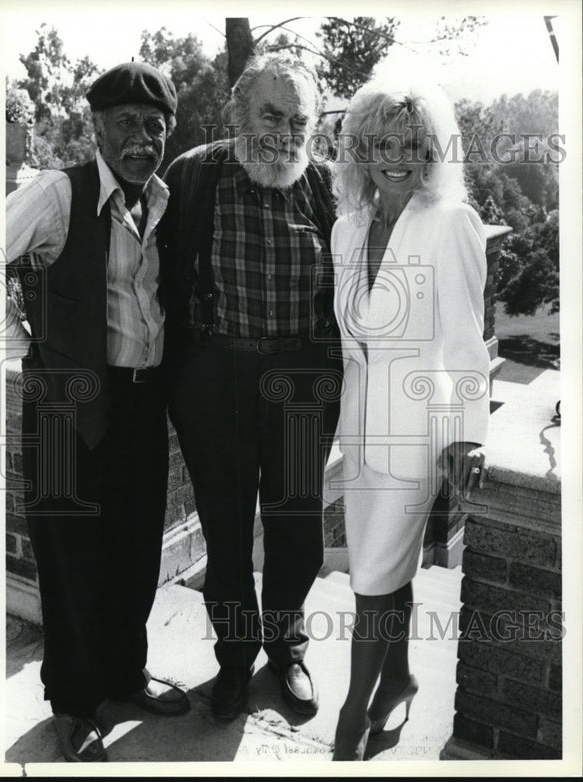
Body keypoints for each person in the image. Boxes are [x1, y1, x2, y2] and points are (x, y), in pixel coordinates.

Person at [5, 62, 190, 763]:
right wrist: (26, 340)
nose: (142, 139)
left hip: (140, 398)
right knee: (69, 557)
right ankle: (74, 703)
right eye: (126, 125)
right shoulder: (59, 192)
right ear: (96, 128)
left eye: (155, 126)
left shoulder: (162, 197)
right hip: (61, 403)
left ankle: (123, 671)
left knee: (135, 549)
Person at [159, 53, 342, 721]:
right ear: (239, 114)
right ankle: (235, 661)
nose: (285, 133)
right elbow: (154, 278)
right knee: (227, 531)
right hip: (216, 379)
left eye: (300, 121)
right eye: (271, 115)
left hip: (300, 382)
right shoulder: (193, 176)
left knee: (298, 527)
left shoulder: (324, 187)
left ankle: (286, 648)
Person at [330, 75, 490, 760]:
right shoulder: (347, 227)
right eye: (381, 144)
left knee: (369, 575)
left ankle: (350, 718)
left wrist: (467, 432)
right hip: (360, 426)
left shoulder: (451, 222)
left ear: (433, 153)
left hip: (419, 426)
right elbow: (349, 343)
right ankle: (396, 678)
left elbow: (465, 338)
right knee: (385, 567)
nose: (397, 157)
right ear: (359, 152)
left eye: (413, 145)